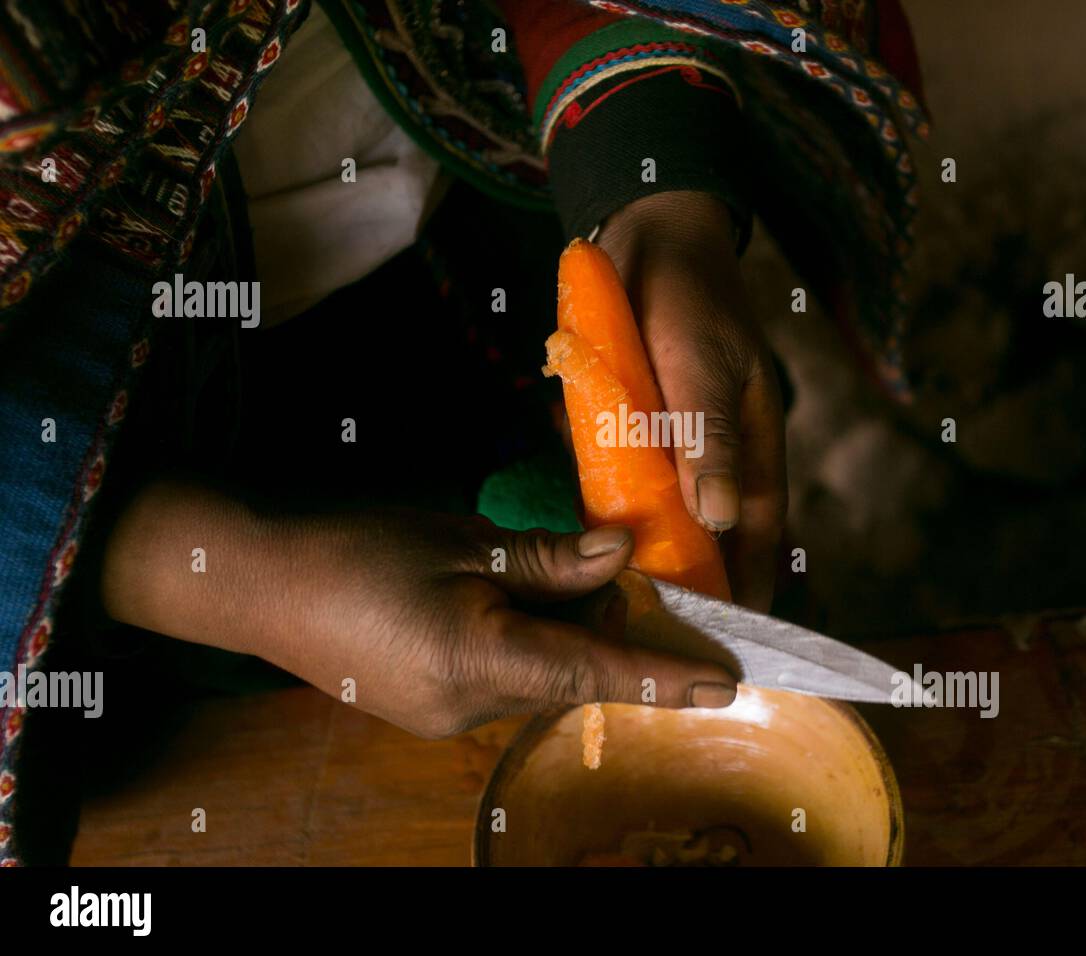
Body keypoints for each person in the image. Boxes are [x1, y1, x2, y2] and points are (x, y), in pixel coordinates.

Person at [0, 0, 926, 864]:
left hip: (499, 218)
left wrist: (653, 188)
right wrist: (222, 579)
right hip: (85, 498)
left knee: (721, 584)